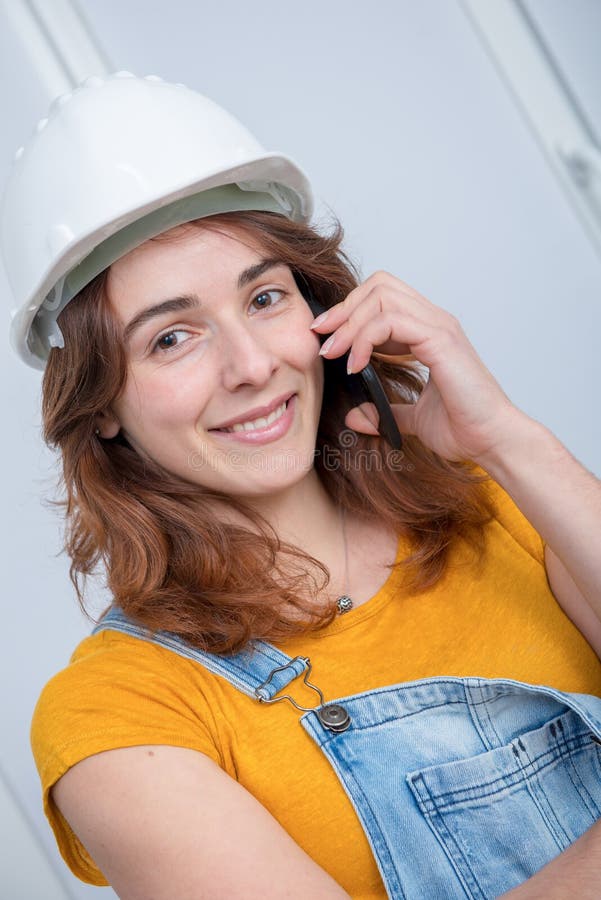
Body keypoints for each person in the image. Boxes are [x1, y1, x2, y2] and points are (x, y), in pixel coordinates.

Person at [3, 72, 601, 900]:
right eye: (173, 338)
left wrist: (506, 440)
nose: (252, 366)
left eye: (264, 297)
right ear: (100, 403)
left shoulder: (497, 507)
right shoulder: (119, 711)